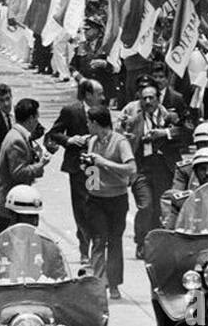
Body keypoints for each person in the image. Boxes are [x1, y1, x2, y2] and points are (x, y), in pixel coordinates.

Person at [128, 83, 192, 260]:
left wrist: (164, 133)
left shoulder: (170, 117)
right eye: (144, 98)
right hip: (142, 168)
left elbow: (187, 133)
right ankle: (141, 242)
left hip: (164, 168)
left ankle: (157, 244)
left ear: (158, 99)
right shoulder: (134, 120)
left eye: (151, 98)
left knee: (161, 208)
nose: (148, 101)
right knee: (146, 206)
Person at [46, 79, 106, 261]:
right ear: (88, 95)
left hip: (95, 167)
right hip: (77, 167)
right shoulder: (71, 111)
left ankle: (96, 247)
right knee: (81, 208)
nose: (102, 98)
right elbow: (54, 133)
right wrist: (69, 140)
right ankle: (84, 248)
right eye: (99, 94)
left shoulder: (103, 111)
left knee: (95, 205)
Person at [82, 105, 135, 299]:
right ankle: (98, 284)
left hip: (116, 199)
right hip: (96, 199)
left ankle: (114, 284)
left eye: (89, 122)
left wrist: (103, 163)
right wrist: (88, 167)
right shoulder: (92, 141)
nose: (87, 126)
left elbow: (131, 168)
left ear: (96, 123)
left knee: (114, 241)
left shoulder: (120, 142)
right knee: (97, 240)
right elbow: (92, 175)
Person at [0, 98, 47, 234]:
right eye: (37, 117)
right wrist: (41, 164)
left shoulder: (17, 135)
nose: (37, 121)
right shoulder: (17, 140)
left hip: (10, 207)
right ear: (31, 118)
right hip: (8, 209)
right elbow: (19, 173)